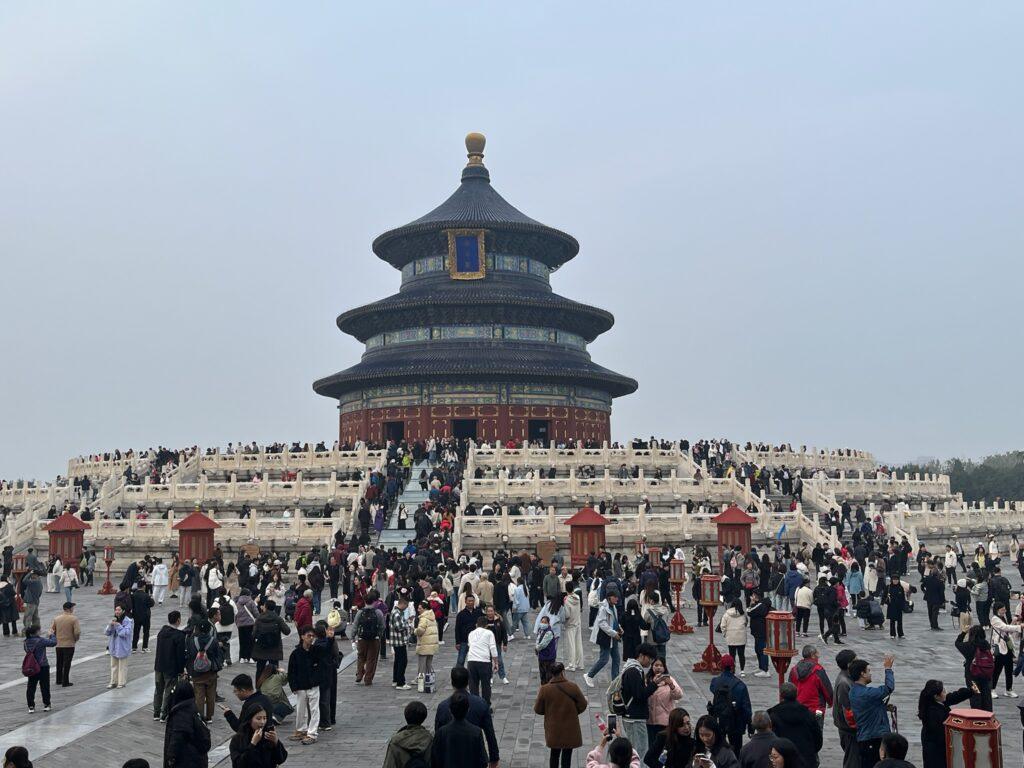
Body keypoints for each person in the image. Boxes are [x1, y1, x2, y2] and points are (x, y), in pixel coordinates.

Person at [435, 667, 500, 768]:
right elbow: (490, 733)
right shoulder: (481, 704)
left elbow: (438, 737)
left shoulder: (443, 706)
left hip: (449, 758)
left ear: (452, 682)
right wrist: (494, 757)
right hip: (473, 756)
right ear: (468, 681)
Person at [534, 661, 589, 768]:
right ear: (563, 672)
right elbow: (583, 704)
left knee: (554, 755)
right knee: (567, 757)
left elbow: (538, 710)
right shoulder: (573, 687)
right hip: (570, 728)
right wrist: (573, 712)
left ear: (551, 673)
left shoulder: (545, 689)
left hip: (554, 730)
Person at [917, 678, 976, 768]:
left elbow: (954, 697)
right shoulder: (933, 712)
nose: (945, 693)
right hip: (935, 747)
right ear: (936, 696)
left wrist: (970, 691)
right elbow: (940, 733)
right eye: (943, 692)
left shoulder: (938, 702)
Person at [849, 655, 895, 768]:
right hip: (873, 739)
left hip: (865, 738)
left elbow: (866, 708)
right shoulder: (866, 693)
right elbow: (889, 688)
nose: (870, 673)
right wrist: (888, 669)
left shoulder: (854, 691)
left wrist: (882, 707)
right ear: (862, 674)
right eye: (868, 671)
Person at [619, 643, 659, 761]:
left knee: (637, 749)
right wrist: (654, 684)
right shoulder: (634, 671)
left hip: (632, 715)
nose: (650, 662)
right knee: (639, 751)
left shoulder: (632, 668)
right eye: (650, 658)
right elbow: (640, 694)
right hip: (634, 717)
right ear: (642, 656)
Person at [768, 684, 822, 767]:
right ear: (796, 694)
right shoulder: (808, 714)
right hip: (806, 759)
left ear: (781, 695)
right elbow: (818, 738)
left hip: (783, 760)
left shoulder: (773, 714)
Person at [430, 691, 489, 768]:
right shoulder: (476, 732)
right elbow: (483, 761)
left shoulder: (442, 732)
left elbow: (435, 758)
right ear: (468, 710)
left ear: (450, 710)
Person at [709, 654, 751, 755]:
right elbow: (746, 709)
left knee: (718, 748)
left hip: (720, 720)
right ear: (733, 667)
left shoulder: (715, 682)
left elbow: (712, 689)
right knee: (736, 750)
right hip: (736, 722)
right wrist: (749, 725)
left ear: (721, 667)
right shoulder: (740, 685)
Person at [163, 682, 212, 768]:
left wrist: (171, 756)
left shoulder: (181, 713)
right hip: (197, 758)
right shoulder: (192, 707)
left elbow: (178, 736)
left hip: (186, 759)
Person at [227, 698, 288, 768]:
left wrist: (276, 742)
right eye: (258, 718)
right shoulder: (238, 739)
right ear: (250, 720)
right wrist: (253, 744)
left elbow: (280, 759)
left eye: (264, 718)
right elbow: (239, 764)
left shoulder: (267, 736)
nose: (262, 722)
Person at [286, 625, 320, 745]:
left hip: (313, 685)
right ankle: (301, 730)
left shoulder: (316, 651)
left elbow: (322, 666)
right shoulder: (296, 653)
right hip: (300, 686)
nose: (311, 638)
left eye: (312, 636)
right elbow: (291, 671)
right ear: (302, 637)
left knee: (315, 710)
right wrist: (294, 686)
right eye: (308, 636)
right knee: (301, 710)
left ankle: (312, 733)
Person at [187, 619, 223, 723]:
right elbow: (218, 656)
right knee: (211, 694)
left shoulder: (192, 640)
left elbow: (190, 655)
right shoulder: (213, 640)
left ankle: (200, 716)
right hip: (211, 672)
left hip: (196, 672)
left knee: (199, 695)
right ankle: (209, 717)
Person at [154, 610, 187, 721]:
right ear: (178, 620)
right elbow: (180, 655)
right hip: (171, 668)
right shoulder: (179, 636)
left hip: (159, 666)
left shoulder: (162, 632)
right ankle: (164, 713)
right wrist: (181, 669)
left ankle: (156, 713)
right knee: (169, 690)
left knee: (158, 690)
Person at [584, 591, 622, 687]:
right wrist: (613, 633)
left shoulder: (613, 606)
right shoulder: (603, 608)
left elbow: (614, 620)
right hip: (606, 637)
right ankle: (589, 675)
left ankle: (614, 681)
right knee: (604, 659)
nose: (617, 599)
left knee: (617, 659)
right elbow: (602, 623)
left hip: (613, 636)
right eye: (615, 596)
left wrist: (619, 628)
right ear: (609, 597)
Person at [382, 701, 433, 768]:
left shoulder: (396, 741)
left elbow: (389, 765)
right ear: (424, 718)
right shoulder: (430, 739)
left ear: (406, 716)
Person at [645, 656, 682, 749]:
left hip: (665, 721)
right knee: (652, 747)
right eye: (656, 665)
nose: (658, 668)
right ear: (652, 666)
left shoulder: (670, 680)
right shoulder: (647, 680)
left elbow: (678, 695)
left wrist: (671, 685)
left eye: (661, 665)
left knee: (664, 747)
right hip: (650, 721)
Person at [832, 649, 860, 768]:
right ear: (849, 664)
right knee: (852, 760)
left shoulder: (848, 678)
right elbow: (847, 709)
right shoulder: (844, 682)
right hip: (848, 730)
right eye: (856, 660)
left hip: (848, 728)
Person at [788, 645, 833, 716]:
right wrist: (830, 702)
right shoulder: (818, 670)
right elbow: (826, 687)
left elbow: (789, 689)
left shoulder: (794, 670)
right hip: (817, 710)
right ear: (812, 655)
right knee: (818, 725)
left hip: (799, 707)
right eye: (817, 653)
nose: (818, 655)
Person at [988, 602, 1021, 698]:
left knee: (1009, 670)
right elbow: (1004, 627)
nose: (1004, 611)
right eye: (1002, 609)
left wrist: (1014, 623)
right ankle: (992, 689)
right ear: (997, 609)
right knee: (997, 670)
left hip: (1007, 647)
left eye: (1005, 609)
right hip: (1000, 648)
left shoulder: (1003, 618)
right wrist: (1019, 627)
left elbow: (1007, 630)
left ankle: (1009, 689)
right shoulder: (994, 619)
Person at [252, 601, 291, 679]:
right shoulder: (278, 619)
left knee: (260, 670)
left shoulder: (259, 618)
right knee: (274, 670)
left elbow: (254, 634)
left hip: (261, 648)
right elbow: (287, 631)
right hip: (275, 648)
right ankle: (273, 688)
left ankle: (259, 688)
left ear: (265, 607)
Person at [352, 589, 384, 686]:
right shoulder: (378, 612)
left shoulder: (360, 612)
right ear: (374, 601)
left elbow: (355, 626)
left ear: (365, 601)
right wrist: (379, 635)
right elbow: (382, 626)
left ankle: (359, 674)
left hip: (362, 638)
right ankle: (368, 679)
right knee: (371, 659)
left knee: (361, 657)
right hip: (374, 639)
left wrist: (353, 637)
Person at [23, 625, 56, 713]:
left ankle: (31, 706)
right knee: (44, 686)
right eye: (39, 630)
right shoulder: (40, 640)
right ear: (36, 632)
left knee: (31, 687)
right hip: (42, 666)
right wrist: (52, 634)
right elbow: (53, 643)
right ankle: (46, 704)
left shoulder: (26, 642)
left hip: (32, 667)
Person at [466, 615, 498, 704]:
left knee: (473, 686)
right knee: (486, 686)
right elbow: (493, 649)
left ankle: (474, 705)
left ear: (476, 625)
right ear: (486, 625)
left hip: (471, 661)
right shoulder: (489, 633)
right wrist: (496, 662)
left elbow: (470, 646)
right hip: (484, 662)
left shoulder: (471, 633)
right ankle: (486, 705)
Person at [50, 601, 80, 687]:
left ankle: (58, 679)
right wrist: (75, 639)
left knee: (59, 662)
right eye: (72, 607)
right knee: (67, 663)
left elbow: (52, 630)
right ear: (69, 609)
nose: (73, 609)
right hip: (69, 644)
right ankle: (65, 681)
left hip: (59, 644)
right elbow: (77, 632)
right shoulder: (74, 619)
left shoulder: (57, 618)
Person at [105, 604, 134, 688]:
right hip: (113, 647)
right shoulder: (113, 620)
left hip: (123, 646)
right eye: (116, 610)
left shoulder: (128, 621)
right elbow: (107, 633)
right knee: (113, 665)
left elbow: (124, 633)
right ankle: (113, 681)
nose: (117, 612)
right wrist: (110, 625)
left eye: (119, 610)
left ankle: (121, 682)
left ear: (123, 611)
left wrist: (118, 625)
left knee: (122, 666)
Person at [719, 599, 749, 675]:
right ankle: (742, 671)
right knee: (741, 654)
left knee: (732, 655)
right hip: (741, 636)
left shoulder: (727, 614)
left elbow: (722, 626)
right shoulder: (743, 614)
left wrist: (725, 634)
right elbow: (746, 623)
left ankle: (733, 670)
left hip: (731, 636)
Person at [389, 594, 412, 690]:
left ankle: (395, 679)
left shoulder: (395, 612)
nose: (406, 608)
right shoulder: (397, 614)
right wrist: (407, 624)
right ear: (402, 604)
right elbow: (399, 627)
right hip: (399, 640)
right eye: (406, 606)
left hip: (396, 640)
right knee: (402, 661)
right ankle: (400, 682)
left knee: (398, 661)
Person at [414, 600, 439, 682]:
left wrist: (414, 630)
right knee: (428, 664)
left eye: (420, 608)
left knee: (422, 664)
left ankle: (420, 679)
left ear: (424, 609)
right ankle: (429, 679)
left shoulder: (423, 618)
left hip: (424, 644)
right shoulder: (432, 617)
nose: (418, 610)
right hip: (432, 645)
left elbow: (420, 631)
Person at [536, 613, 559, 683]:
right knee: (542, 675)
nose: (543, 624)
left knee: (548, 676)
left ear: (548, 623)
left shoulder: (549, 632)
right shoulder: (541, 630)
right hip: (542, 656)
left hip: (548, 657)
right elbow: (538, 640)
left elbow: (543, 644)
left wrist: (537, 648)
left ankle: (548, 689)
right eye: (542, 622)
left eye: (545, 622)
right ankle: (544, 689)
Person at [132, 584, 155, 652]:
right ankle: (144, 647)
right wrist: (151, 598)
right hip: (146, 616)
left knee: (136, 632)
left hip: (136, 616)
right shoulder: (146, 595)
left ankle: (134, 647)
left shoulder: (134, 595)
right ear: (143, 586)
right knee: (146, 632)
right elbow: (151, 604)